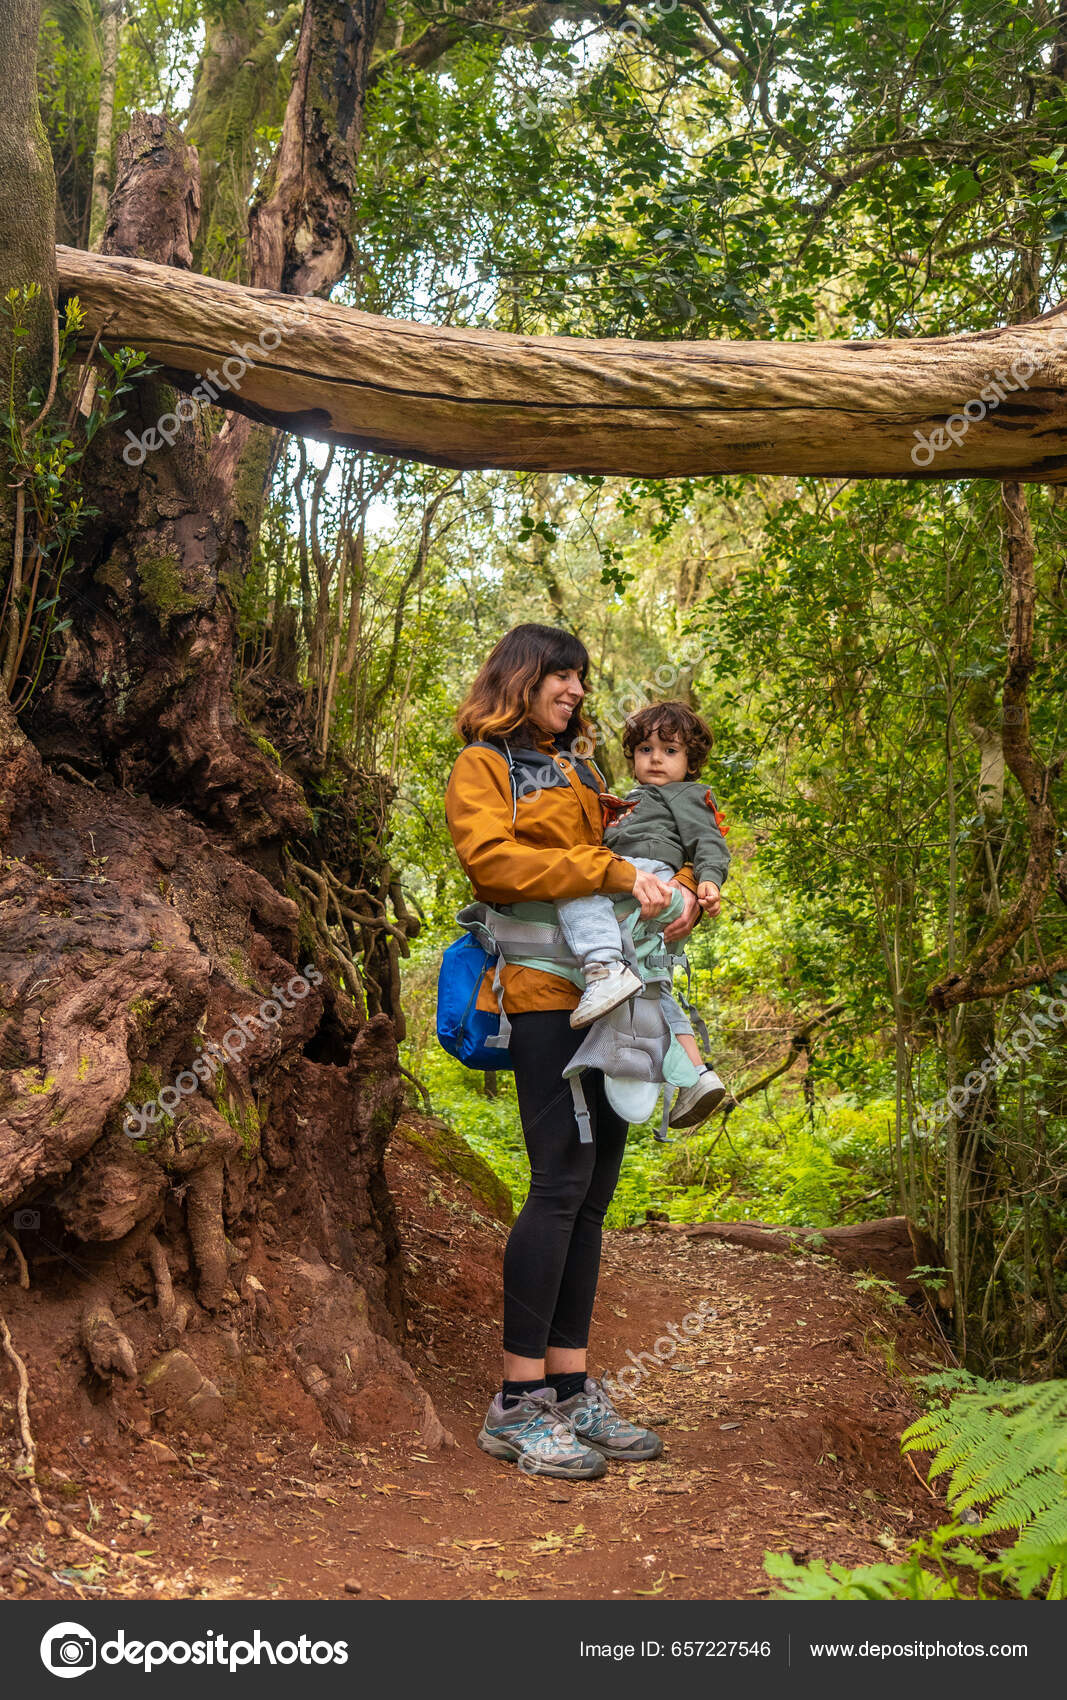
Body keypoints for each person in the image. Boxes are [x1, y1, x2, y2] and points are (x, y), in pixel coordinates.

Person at [444, 623, 704, 1481]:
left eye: (582, 680)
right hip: (545, 1000)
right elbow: (493, 866)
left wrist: (667, 875)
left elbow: (613, 855)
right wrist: (608, 869)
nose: (577, 692)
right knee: (557, 1183)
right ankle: (515, 1404)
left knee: (591, 1195)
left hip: (619, 995)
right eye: (564, 677)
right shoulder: (485, 765)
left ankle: (569, 1386)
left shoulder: (581, 768)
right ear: (524, 676)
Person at [556, 698, 729, 1129]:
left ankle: (603, 968)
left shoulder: (686, 794)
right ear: (632, 755)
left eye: (670, 751)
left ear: (691, 762)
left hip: (648, 877)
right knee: (654, 984)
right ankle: (695, 1076)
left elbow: (708, 841)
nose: (656, 759)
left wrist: (707, 880)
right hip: (641, 883)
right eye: (646, 749)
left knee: (574, 887)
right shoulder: (631, 798)